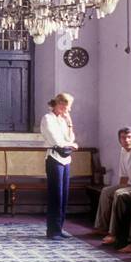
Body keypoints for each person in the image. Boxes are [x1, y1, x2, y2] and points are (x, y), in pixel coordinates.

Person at [93, 127, 131, 242]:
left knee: (119, 194)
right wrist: (119, 188)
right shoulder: (123, 150)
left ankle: (113, 233)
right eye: (123, 138)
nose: (126, 140)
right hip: (130, 184)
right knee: (106, 191)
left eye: (129, 137)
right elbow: (123, 176)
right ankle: (102, 226)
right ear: (119, 140)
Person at [39, 93, 77, 239]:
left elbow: (69, 138)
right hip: (54, 159)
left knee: (64, 196)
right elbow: (57, 140)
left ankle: (59, 228)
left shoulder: (63, 119)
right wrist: (71, 145)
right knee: (56, 195)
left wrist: (69, 122)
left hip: (66, 160)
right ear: (58, 104)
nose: (68, 110)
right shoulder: (47, 118)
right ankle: (52, 231)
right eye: (66, 106)